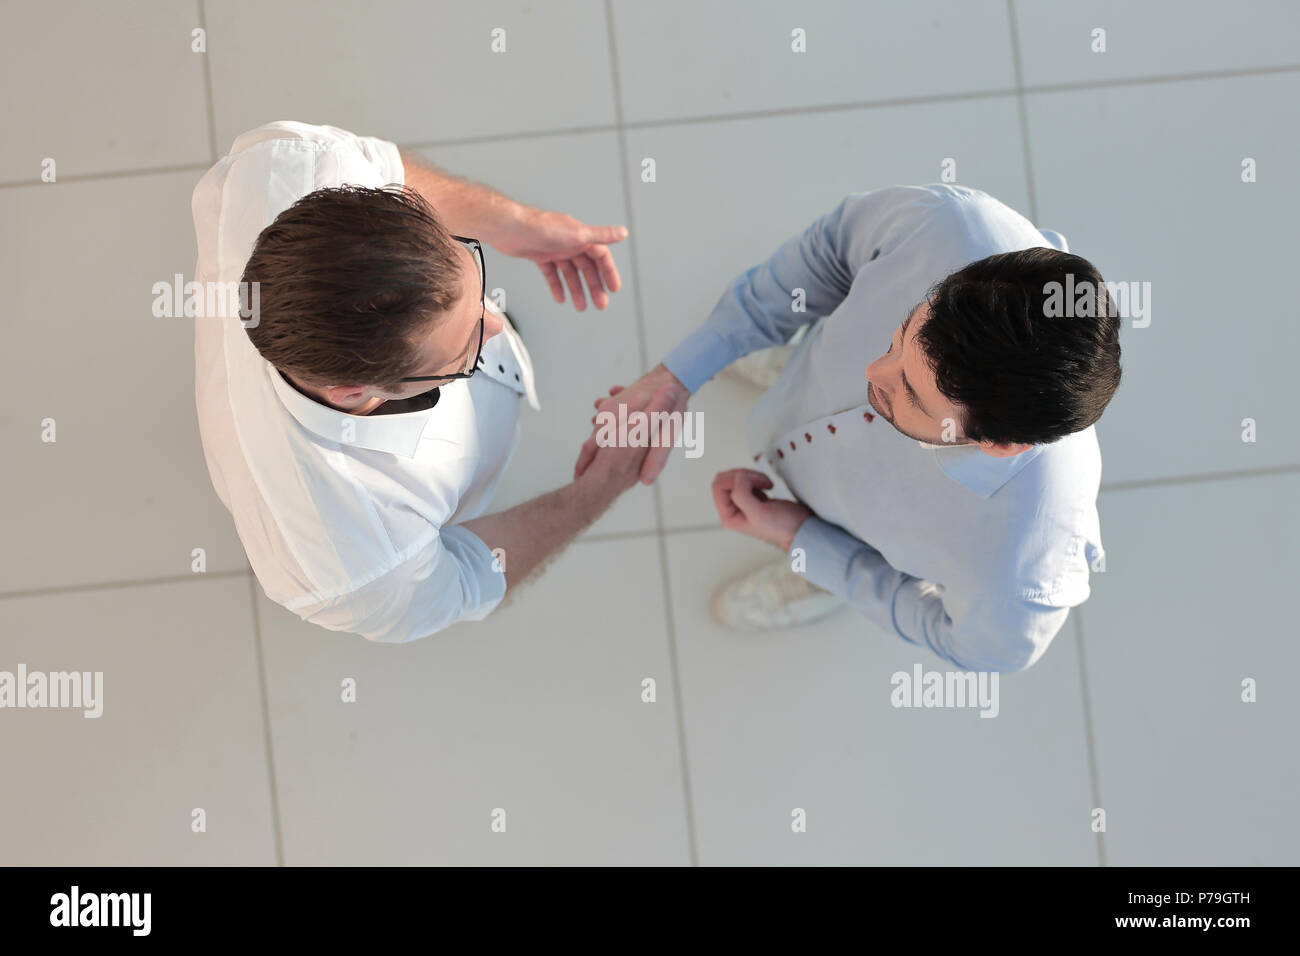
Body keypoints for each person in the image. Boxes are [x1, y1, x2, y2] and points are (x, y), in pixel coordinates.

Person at [577, 184, 1122, 673]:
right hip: (804, 383)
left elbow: (966, 644)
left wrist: (804, 541)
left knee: (840, 560)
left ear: (999, 445)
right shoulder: (947, 227)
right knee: (824, 361)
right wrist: (679, 374)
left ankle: (821, 576)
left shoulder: (1022, 567)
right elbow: (829, 255)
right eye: (897, 336)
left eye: (909, 393)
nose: (870, 374)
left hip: (856, 536)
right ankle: (796, 367)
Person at [193, 121, 670, 642]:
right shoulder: (353, 565)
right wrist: (600, 488)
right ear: (354, 394)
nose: (495, 324)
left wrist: (513, 223)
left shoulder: (289, 167)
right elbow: (465, 577)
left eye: (471, 266)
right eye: (464, 349)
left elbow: (386, 172)